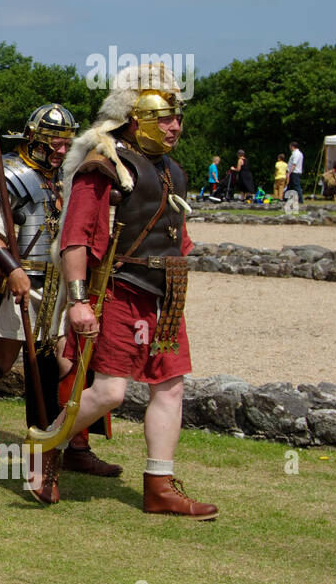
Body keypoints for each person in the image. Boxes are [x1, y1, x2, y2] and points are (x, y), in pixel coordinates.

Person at [29, 63, 216, 518]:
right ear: (137, 118)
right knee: (110, 392)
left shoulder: (174, 169)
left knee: (170, 387)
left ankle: (159, 486)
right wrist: (77, 302)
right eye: (165, 117)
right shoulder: (104, 164)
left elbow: (179, 234)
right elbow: (75, 236)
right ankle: (45, 448)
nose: (175, 126)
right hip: (119, 288)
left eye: (178, 118)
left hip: (165, 293)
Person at [0, 104, 120, 477]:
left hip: (61, 287)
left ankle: (71, 444)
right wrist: (13, 269)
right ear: (33, 137)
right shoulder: (5, 172)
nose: (61, 150)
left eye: (66, 143)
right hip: (19, 285)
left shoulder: (67, 176)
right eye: (55, 141)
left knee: (70, 366)